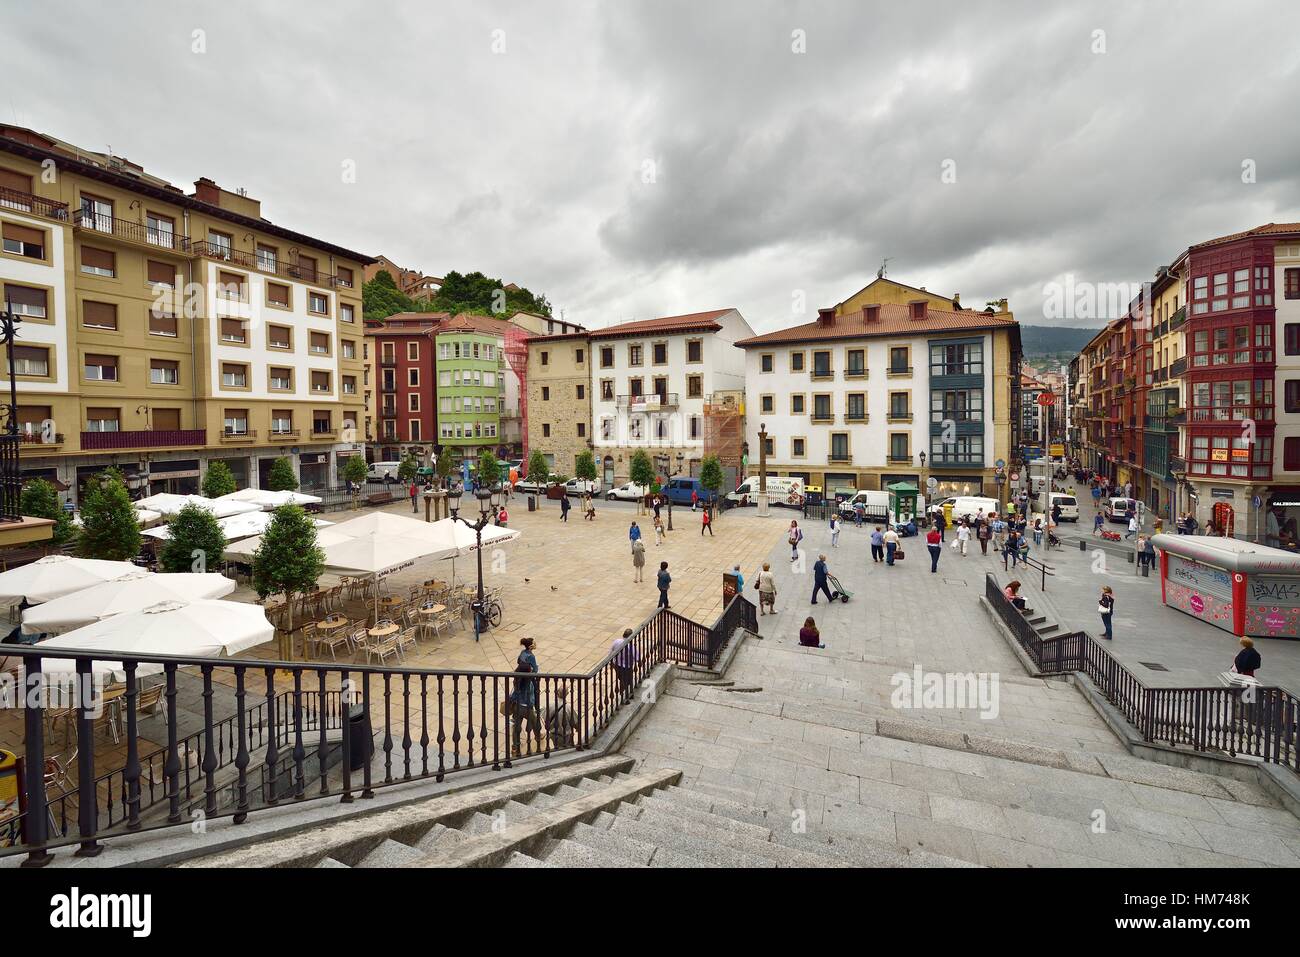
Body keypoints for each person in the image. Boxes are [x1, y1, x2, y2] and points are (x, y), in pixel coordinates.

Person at [509, 637, 541, 756]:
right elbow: (535, 670)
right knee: (535, 722)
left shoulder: (517, 680)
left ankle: (514, 746)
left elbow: (519, 661)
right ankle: (538, 737)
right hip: (527, 706)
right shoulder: (529, 681)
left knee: (516, 726)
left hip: (518, 704)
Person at [545, 684, 580, 748]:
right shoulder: (568, 708)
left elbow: (543, 719)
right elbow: (576, 722)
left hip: (553, 736)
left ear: (557, 692)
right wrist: (577, 728)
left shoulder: (550, 705)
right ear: (567, 694)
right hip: (565, 737)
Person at [611, 627, 640, 695]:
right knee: (627, 682)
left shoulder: (616, 641)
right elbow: (637, 658)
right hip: (626, 667)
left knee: (621, 680)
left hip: (617, 665)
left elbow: (610, 653)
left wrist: (612, 664)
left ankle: (622, 694)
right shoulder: (631, 647)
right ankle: (625, 696)